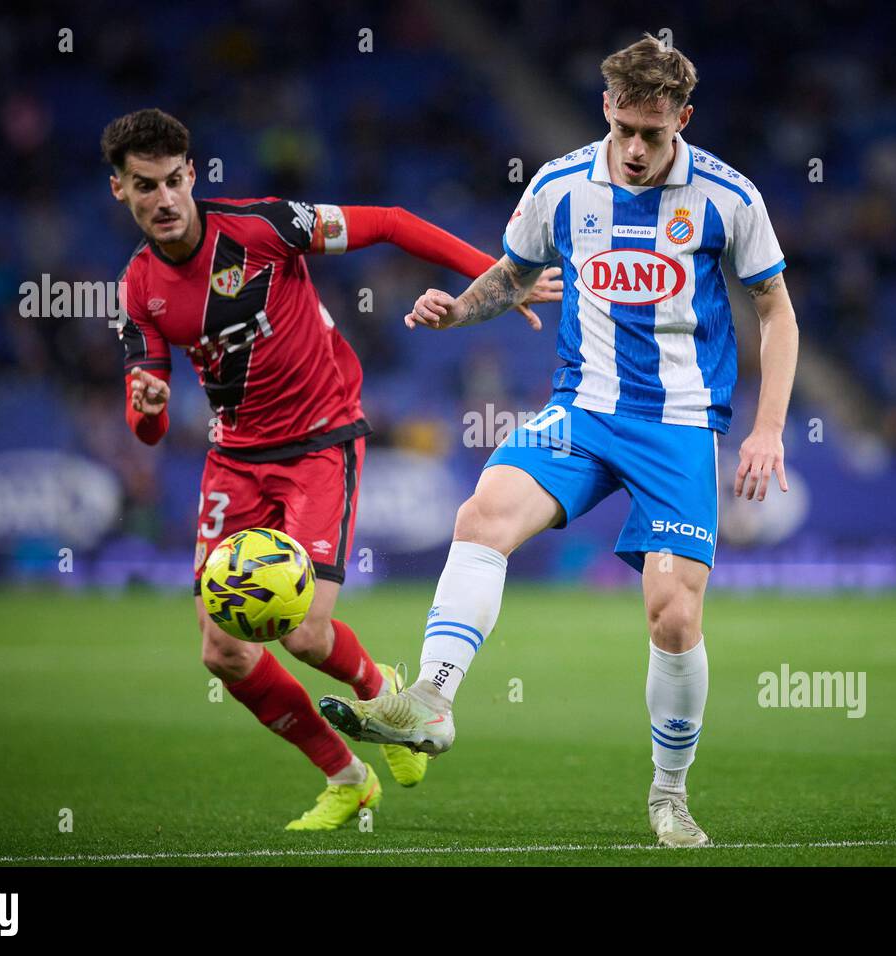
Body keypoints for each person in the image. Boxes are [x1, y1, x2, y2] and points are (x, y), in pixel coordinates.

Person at [319, 35, 799, 848]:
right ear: (607, 108)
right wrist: (457, 308)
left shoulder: (728, 197)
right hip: (581, 407)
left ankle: (670, 795)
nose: (639, 149)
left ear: (682, 117)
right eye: (627, 129)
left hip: (680, 422)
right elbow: (513, 274)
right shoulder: (560, 184)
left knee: (673, 617)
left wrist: (769, 428)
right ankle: (431, 700)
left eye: (657, 131)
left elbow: (776, 309)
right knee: (482, 515)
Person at [104, 108, 561, 830]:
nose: (160, 200)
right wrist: (149, 404)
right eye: (142, 186)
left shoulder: (264, 228)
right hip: (234, 460)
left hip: (319, 440)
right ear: (119, 191)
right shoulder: (137, 290)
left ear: (191, 176)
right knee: (222, 650)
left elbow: (388, 221)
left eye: (170, 181)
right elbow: (149, 430)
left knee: (307, 635)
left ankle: (393, 705)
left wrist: (496, 276)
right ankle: (348, 777)